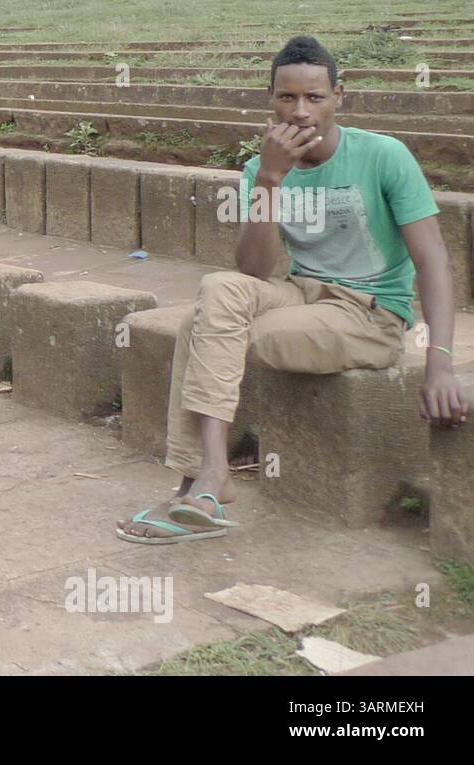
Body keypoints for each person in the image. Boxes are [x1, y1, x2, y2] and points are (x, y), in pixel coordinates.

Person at [116, 35, 468, 544]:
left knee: (203, 329)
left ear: (338, 97)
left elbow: (433, 261)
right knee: (216, 293)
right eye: (287, 97)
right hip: (299, 292)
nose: (300, 111)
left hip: (369, 316)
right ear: (271, 98)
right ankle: (207, 483)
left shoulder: (383, 156)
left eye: (315, 97)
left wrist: (439, 362)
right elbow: (253, 269)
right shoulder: (263, 168)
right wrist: (271, 181)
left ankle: (196, 485)